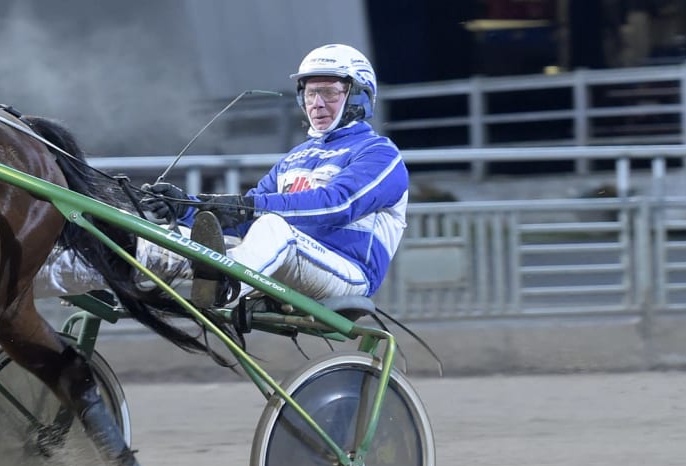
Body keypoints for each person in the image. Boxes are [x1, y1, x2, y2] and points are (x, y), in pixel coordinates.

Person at [36, 43, 409, 308]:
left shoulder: (380, 155)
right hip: (281, 261)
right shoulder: (294, 159)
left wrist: (247, 209)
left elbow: (336, 205)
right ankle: (40, 279)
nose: (316, 103)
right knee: (168, 239)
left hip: (347, 274)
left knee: (272, 228)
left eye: (328, 92)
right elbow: (239, 220)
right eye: (310, 93)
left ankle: (223, 288)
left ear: (358, 97)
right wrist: (184, 207)